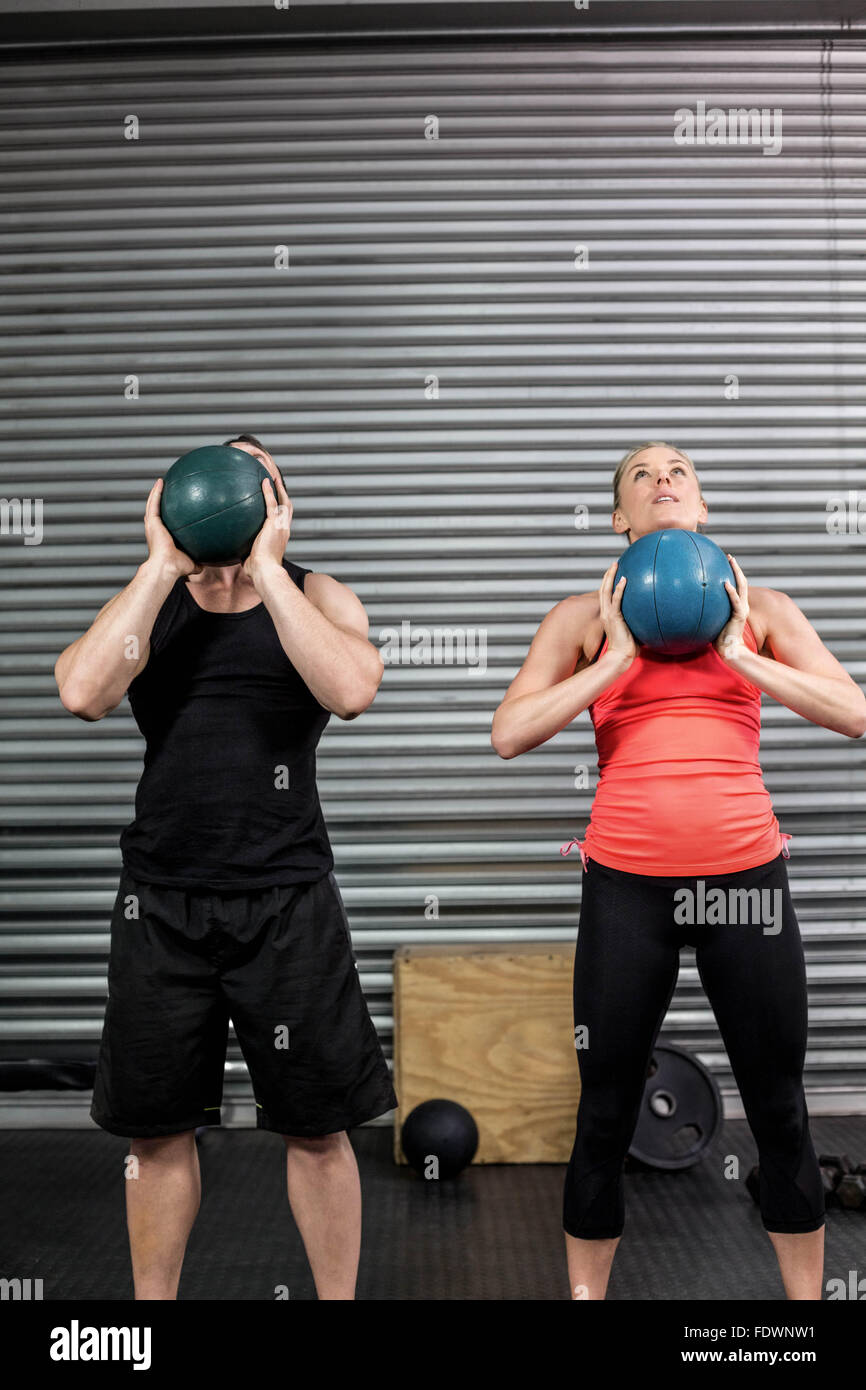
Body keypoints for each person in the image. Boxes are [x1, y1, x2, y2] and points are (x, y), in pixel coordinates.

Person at [491, 441, 866, 1302]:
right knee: (603, 1114)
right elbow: (509, 732)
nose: (662, 480)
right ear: (619, 520)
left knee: (779, 1109)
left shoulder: (764, 609)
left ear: (701, 508)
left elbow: (853, 712)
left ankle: (804, 1318)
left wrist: (742, 655)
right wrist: (614, 663)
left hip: (745, 888)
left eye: (679, 471)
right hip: (628, 893)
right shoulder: (581, 620)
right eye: (641, 474)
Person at [54, 434, 397, 1301]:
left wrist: (270, 572)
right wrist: (159, 565)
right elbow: (83, 692)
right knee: (156, 1134)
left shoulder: (318, 595)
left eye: (259, 476)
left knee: (318, 1128)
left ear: (278, 500)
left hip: (287, 903)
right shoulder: (152, 601)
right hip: (161, 906)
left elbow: (352, 690)